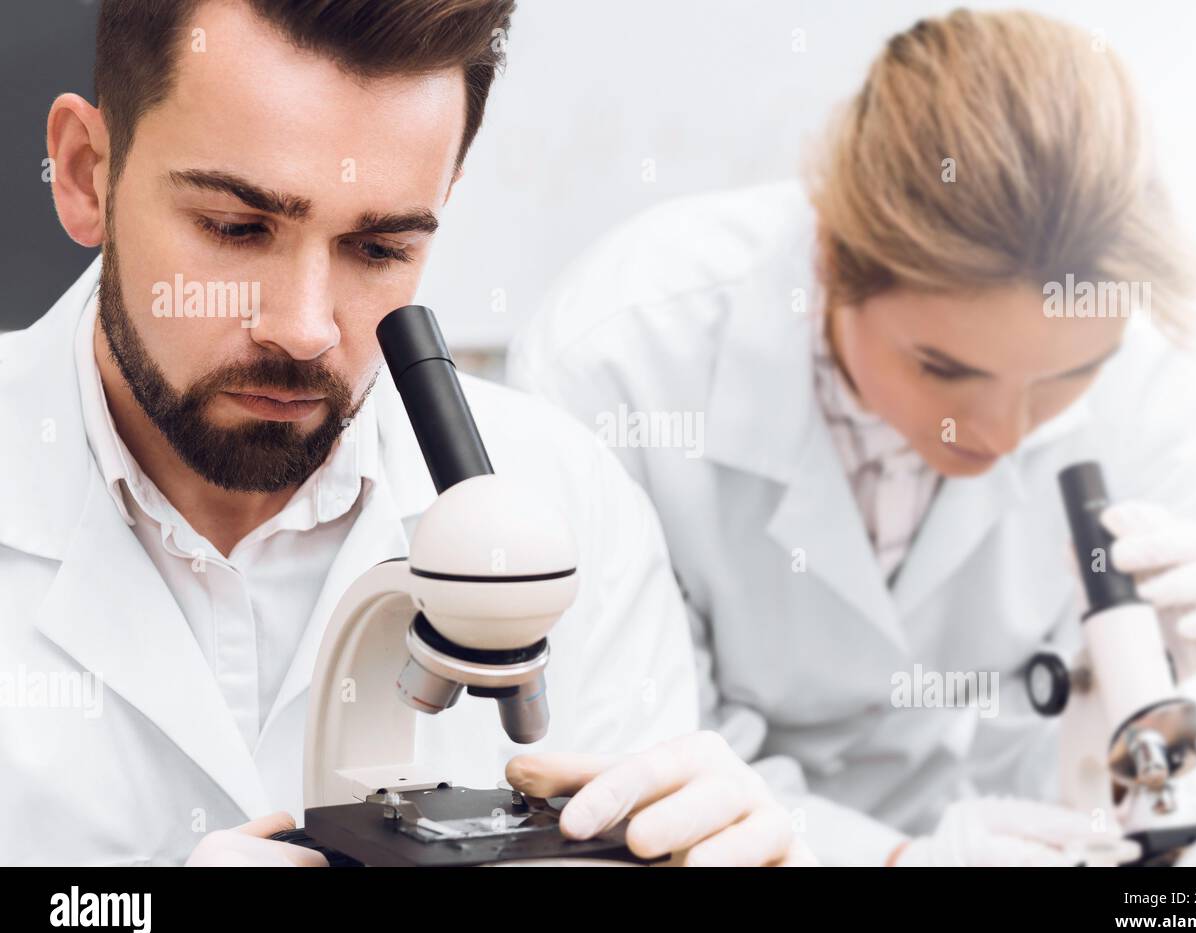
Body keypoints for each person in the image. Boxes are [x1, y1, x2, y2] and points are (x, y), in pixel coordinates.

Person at [0, 0, 812, 867]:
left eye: (379, 248)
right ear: (86, 174)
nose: (304, 327)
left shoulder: (570, 497)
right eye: (236, 228)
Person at [507, 9, 1196, 865]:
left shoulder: (1158, 369)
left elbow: (1125, 790)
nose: (1002, 434)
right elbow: (624, 753)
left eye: (1062, 381)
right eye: (945, 368)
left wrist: (1149, 688)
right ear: (830, 255)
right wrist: (892, 861)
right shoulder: (620, 364)